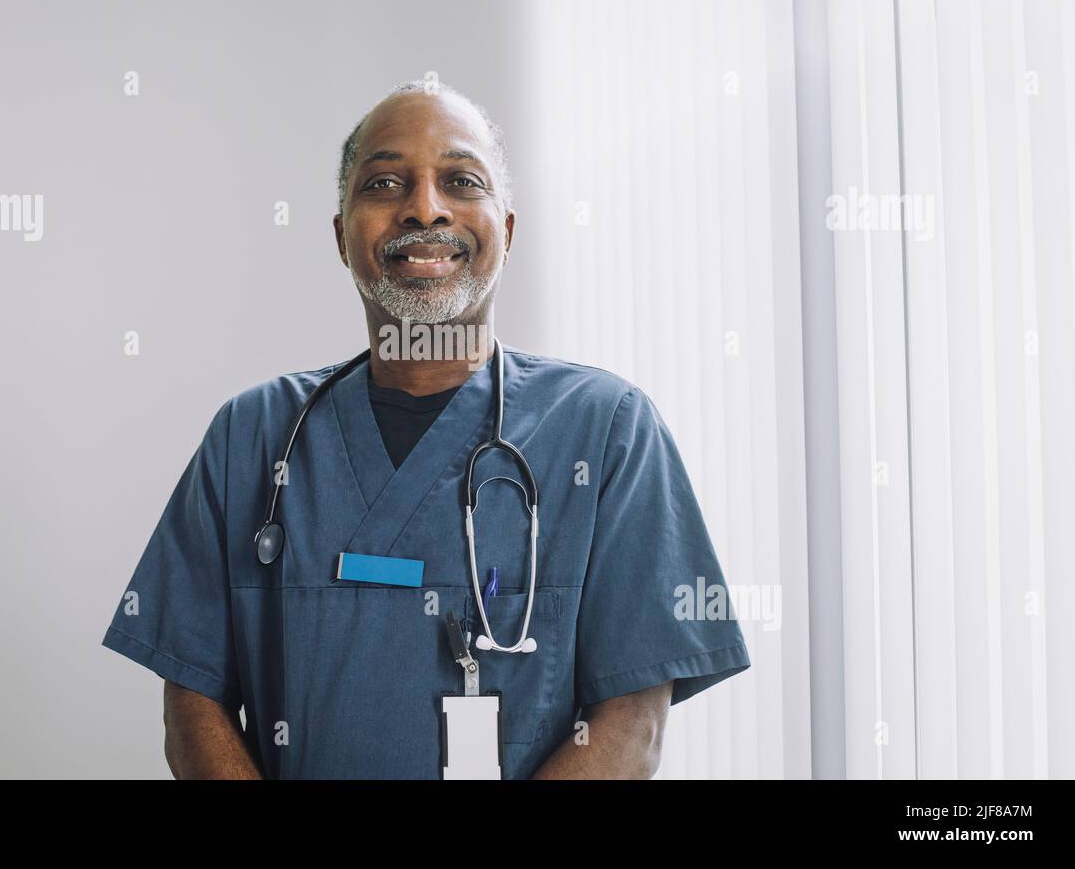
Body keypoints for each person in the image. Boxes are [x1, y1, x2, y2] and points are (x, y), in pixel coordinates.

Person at [101, 80, 751, 779]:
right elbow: (192, 700)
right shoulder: (252, 436)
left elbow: (633, 723)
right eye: (384, 183)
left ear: (504, 229)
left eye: (460, 180)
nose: (424, 207)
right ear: (342, 235)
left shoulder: (607, 430)